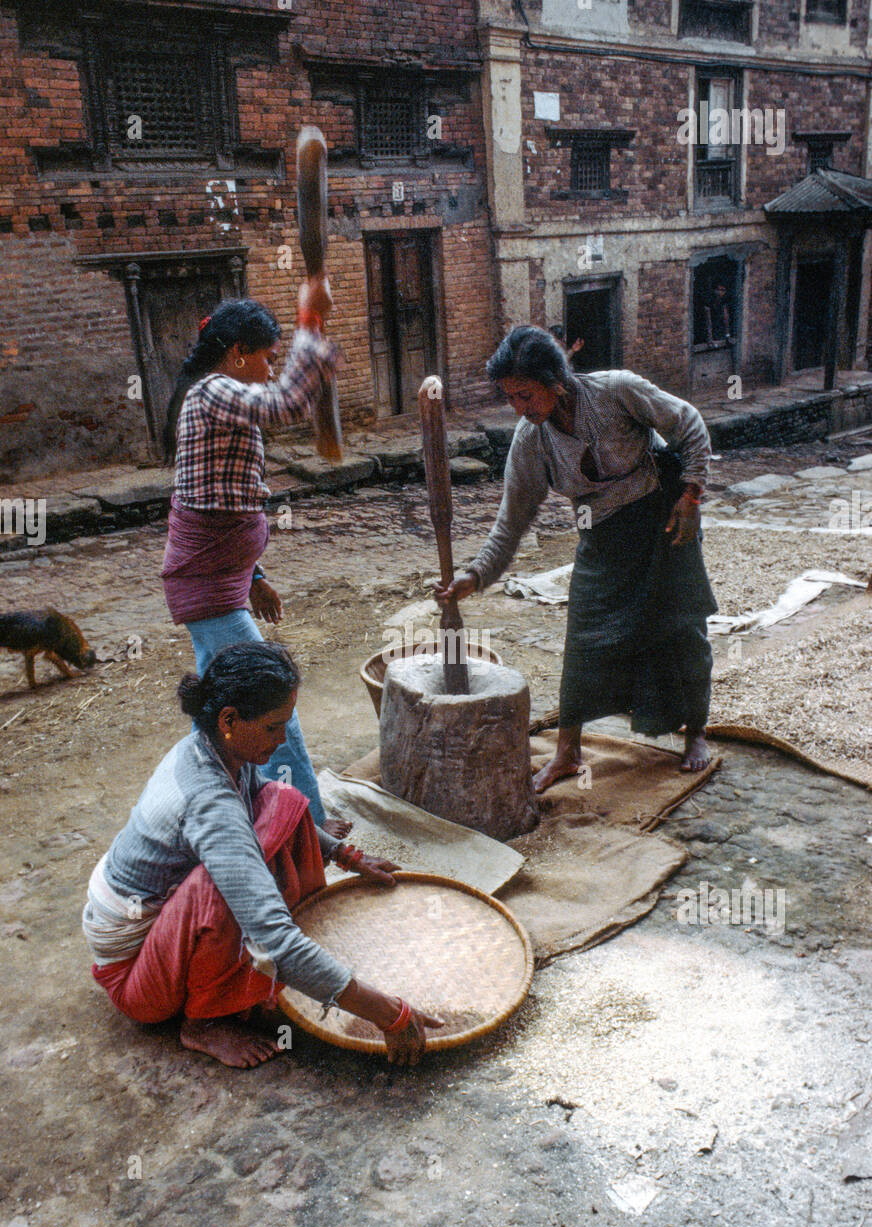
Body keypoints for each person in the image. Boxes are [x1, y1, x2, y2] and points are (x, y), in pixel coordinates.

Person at [82, 642, 442, 1068]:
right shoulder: (209, 803)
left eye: (285, 725)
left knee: (281, 798)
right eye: (273, 727)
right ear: (229, 719)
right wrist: (390, 1013)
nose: (282, 739)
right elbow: (272, 938)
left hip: (156, 919)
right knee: (224, 892)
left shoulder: (217, 747)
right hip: (135, 973)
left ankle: (240, 978)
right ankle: (202, 1023)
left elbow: (269, 802)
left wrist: (347, 856)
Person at [435, 325, 718, 788]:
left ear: (555, 381)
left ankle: (695, 735)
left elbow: (689, 423)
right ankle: (567, 753)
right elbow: (511, 522)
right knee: (584, 640)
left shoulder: (617, 391)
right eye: (511, 399)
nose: (520, 410)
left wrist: (692, 495)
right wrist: (474, 575)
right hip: (602, 535)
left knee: (680, 626)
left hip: (666, 515)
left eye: (525, 395)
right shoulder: (532, 442)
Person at [160, 276, 342, 831]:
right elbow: (287, 403)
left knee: (221, 715)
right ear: (237, 353)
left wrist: (254, 573)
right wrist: (310, 326)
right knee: (266, 711)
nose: (269, 368)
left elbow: (219, 494)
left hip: (220, 580)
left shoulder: (213, 397)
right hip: (209, 588)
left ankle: (212, 809)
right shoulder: (213, 391)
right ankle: (303, 823)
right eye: (265, 357)